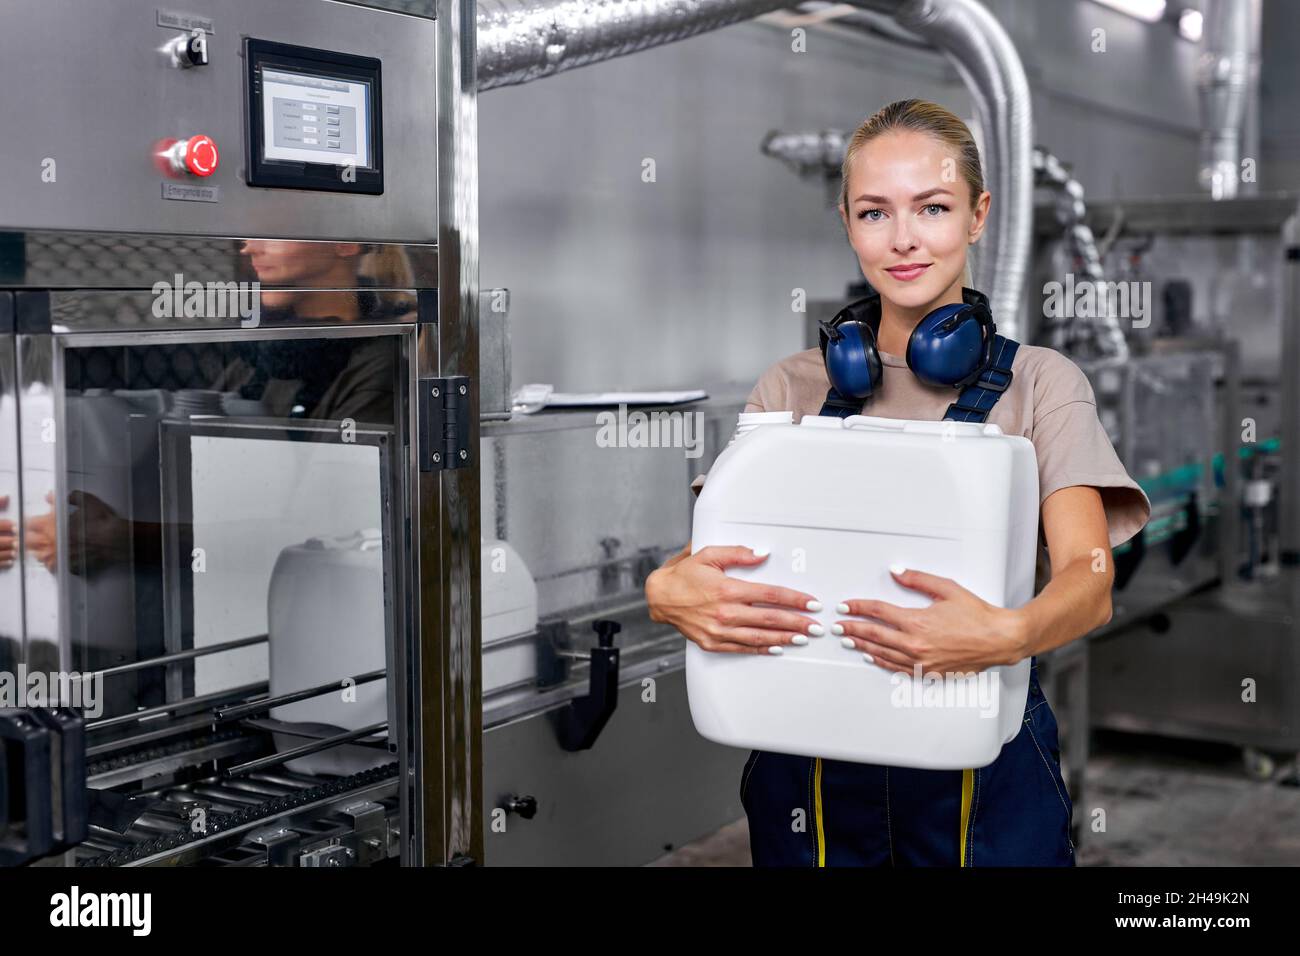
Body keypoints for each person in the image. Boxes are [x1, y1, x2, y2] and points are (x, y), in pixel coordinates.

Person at [645, 98, 1152, 866]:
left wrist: (1007, 635)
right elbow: (710, 567)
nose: (904, 238)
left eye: (934, 207)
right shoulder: (791, 385)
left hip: (982, 769)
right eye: (875, 212)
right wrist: (665, 590)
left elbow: (1090, 579)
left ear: (978, 216)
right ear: (848, 223)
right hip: (805, 763)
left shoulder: (1041, 383)